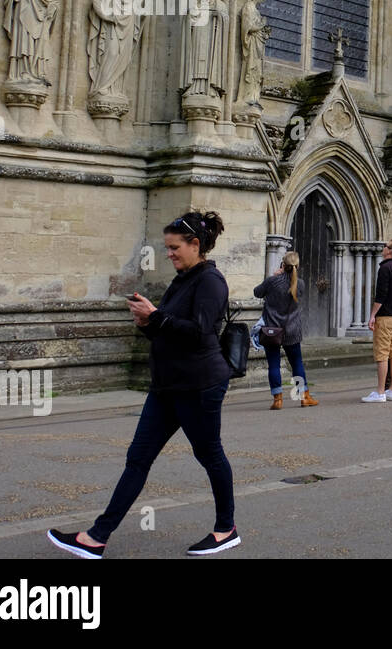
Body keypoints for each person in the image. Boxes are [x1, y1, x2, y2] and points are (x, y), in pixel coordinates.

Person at [48, 212, 239, 558]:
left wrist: (157, 317)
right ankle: (96, 538)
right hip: (166, 386)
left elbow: (198, 333)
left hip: (199, 386)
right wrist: (146, 322)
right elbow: (167, 329)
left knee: (209, 454)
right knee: (138, 458)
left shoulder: (211, 281)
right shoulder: (182, 279)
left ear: (195, 245)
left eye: (174, 247)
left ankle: (226, 529)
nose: (168, 254)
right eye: (166, 248)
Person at [255, 251, 317, 410]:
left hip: (272, 330)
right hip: (292, 329)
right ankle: (303, 397)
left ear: (283, 264)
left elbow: (257, 292)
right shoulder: (300, 283)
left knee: (273, 365)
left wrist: (274, 276)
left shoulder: (272, 281)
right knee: (296, 363)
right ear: (297, 266)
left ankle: (277, 399)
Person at [363, 239, 392, 403]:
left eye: (385, 246)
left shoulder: (385, 268)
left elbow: (381, 295)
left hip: (386, 317)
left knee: (381, 355)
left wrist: (372, 315)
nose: (383, 248)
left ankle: (380, 392)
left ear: (390, 251)